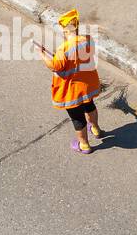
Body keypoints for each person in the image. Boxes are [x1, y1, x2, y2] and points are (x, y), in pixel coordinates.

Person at [34, 8, 104, 154]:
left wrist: (42, 54)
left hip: (71, 91)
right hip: (87, 85)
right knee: (90, 106)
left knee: (77, 117)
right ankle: (96, 129)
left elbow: (54, 65)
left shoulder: (63, 49)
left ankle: (84, 144)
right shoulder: (88, 40)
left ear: (66, 31)